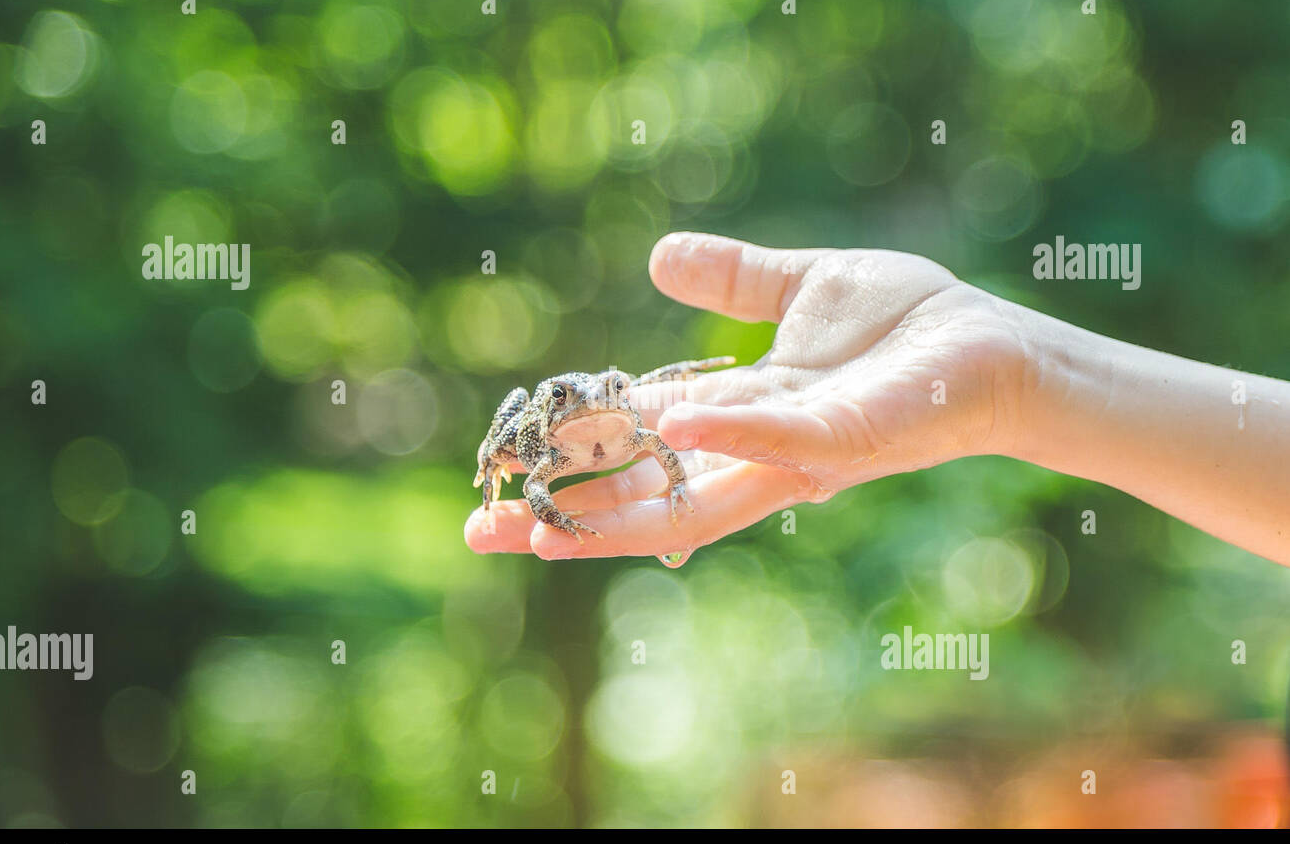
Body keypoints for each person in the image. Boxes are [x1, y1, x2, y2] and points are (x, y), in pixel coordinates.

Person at [465, 233, 1290, 567]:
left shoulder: (635, 417)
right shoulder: (546, 430)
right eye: (598, 390)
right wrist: (1018, 372)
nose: (613, 395)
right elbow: (536, 479)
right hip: (544, 429)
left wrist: (677, 483)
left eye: (617, 388)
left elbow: (664, 443)